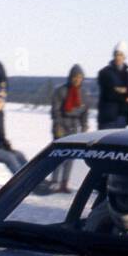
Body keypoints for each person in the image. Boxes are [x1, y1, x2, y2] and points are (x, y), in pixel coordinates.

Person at [50, 65, 88, 193]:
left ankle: (64, 183)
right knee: (59, 156)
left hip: (74, 127)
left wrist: (84, 128)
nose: (77, 79)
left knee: (71, 156)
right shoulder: (61, 91)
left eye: (79, 77)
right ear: (70, 77)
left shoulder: (83, 93)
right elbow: (55, 112)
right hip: (61, 126)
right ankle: (54, 182)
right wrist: (58, 127)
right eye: (75, 77)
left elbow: (84, 113)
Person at [97, 42, 128, 129]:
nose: (118, 57)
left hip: (123, 118)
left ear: (124, 57)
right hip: (108, 118)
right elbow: (109, 94)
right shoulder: (105, 73)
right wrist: (127, 96)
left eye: (120, 54)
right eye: (116, 54)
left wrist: (126, 90)